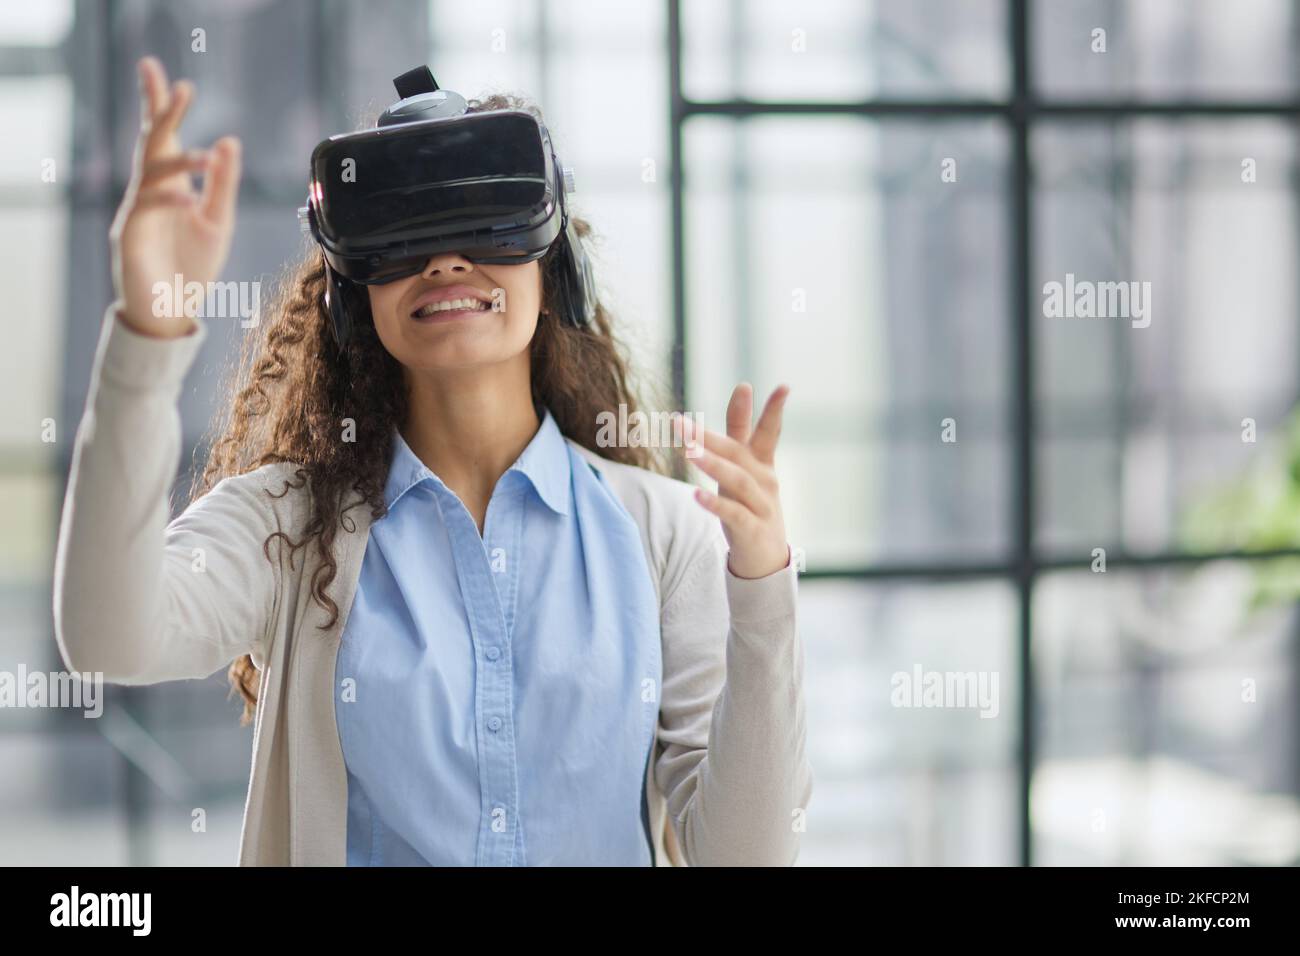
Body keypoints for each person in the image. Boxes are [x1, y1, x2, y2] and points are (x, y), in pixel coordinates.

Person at [53, 55, 812, 866]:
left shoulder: (665, 536)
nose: (444, 262)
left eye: (483, 225)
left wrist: (763, 590)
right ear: (354, 296)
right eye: (405, 239)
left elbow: (745, 856)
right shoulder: (289, 528)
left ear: (554, 275)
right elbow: (110, 638)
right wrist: (147, 327)